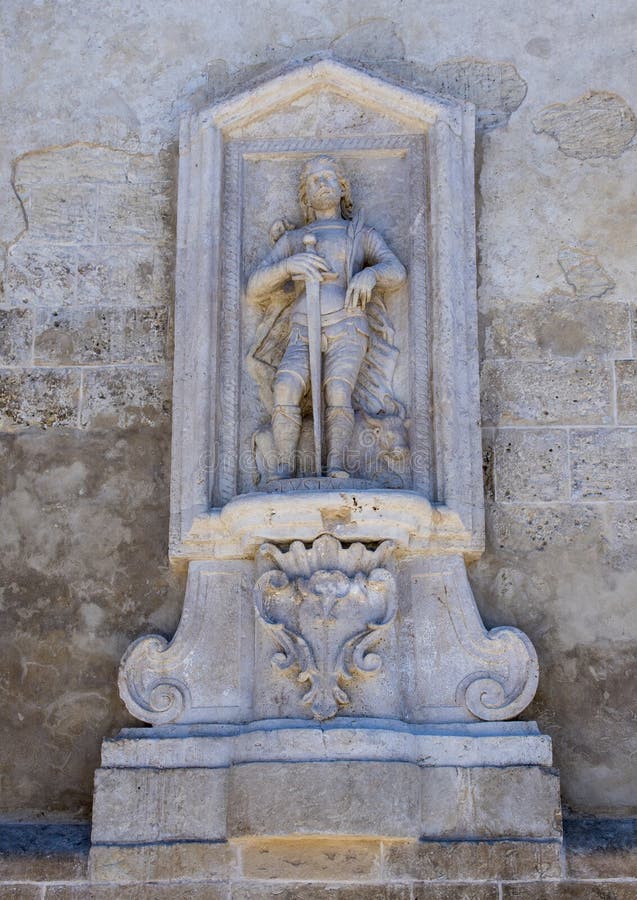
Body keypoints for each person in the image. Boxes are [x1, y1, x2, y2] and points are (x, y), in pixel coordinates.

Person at [246, 156, 406, 480]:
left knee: (337, 390)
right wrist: (289, 266)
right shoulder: (294, 241)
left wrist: (371, 275)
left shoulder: (359, 234)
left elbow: (397, 271)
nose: (322, 184)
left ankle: (336, 465)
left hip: (348, 326)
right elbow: (254, 287)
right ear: (305, 195)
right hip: (303, 329)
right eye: (314, 180)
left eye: (328, 178)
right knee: (286, 387)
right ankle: (284, 469)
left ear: (342, 188)